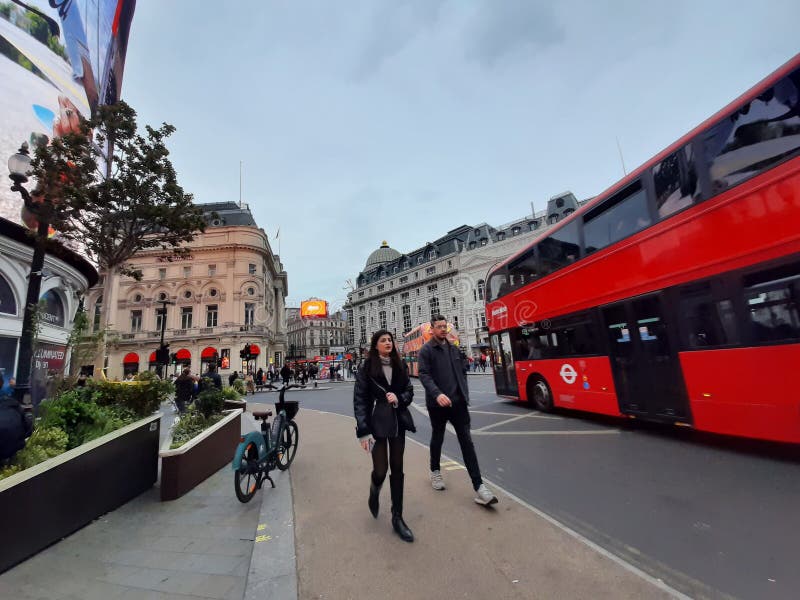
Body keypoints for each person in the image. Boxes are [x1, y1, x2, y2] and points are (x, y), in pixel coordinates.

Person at [418, 315, 497, 506]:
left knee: (467, 443)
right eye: (439, 327)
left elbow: (462, 372)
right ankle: (435, 471)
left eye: (445, 326)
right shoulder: (426, 350)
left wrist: (464, 396)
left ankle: (479, 487)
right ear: (432, 329)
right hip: (438, 404)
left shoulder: (454, 349)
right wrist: (437, 394)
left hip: (458, 404)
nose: (443, 330)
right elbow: (424, 374)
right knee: (438, 438)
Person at [353, 329, 416, 542]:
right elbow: (360, 400)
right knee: (381, 470)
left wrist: (399, 398)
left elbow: (409, 390)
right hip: (377, 423)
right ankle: (374, 489)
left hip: (398, 421)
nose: (388, 343)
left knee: (397, 468)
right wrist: (363, 431)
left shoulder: (400, 365)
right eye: (383, 340)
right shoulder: (367, 367)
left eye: (390, 340)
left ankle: (397, 517)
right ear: (376, 345)